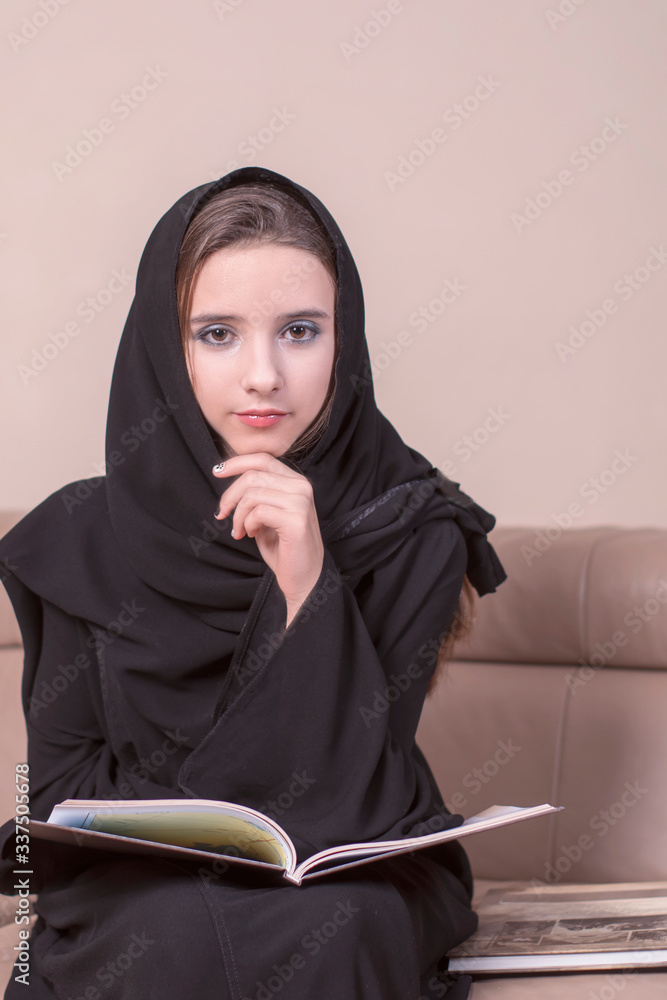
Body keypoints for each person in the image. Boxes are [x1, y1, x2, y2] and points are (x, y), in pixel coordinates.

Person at [0, 166, 506, 999]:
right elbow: (55, 802)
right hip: (142, 890)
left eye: (300, 331)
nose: (263, 375)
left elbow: (355, 796)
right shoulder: (82, 540)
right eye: (217, 334)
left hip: (352, 873)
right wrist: (207, 821)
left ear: (346, 342)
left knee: (335, 928)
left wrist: (307, 581)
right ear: (164, 351)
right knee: (175, 930)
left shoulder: (414, 530)